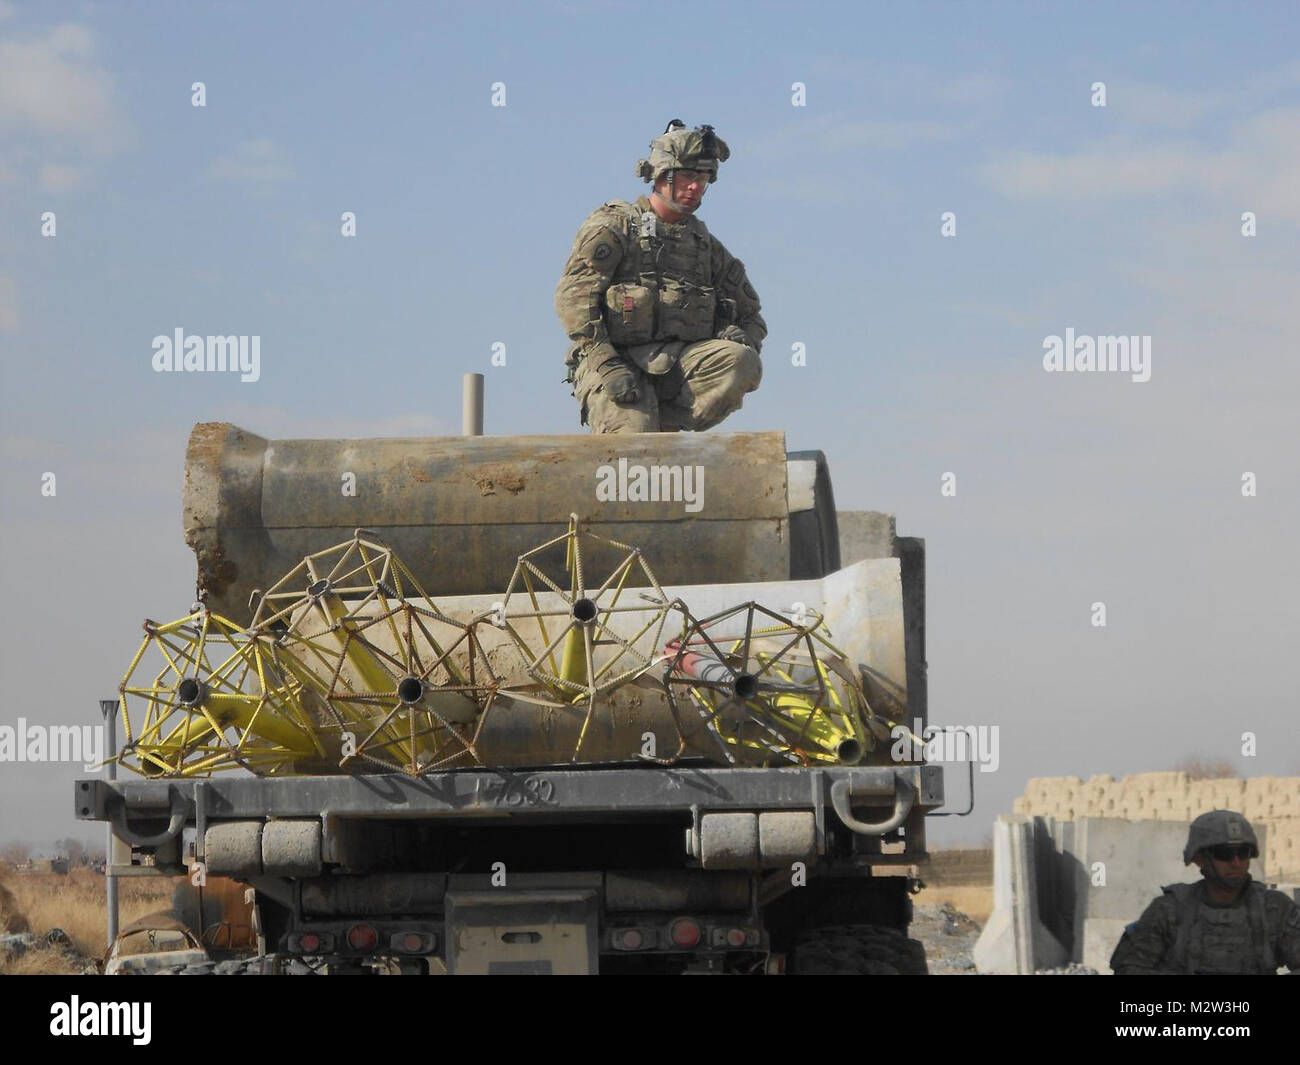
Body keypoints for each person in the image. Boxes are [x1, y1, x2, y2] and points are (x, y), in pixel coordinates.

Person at [555, 120, 766, 434]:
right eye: (688, 176)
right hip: (613, 362)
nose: (696, 187)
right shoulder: (616, 226)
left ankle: (661, 421)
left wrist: (740, 336)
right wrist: (607, 365)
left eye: (704, 178)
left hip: (677, 370)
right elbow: (573, 299)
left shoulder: (706, 248)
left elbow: (752, 317)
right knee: (633, 454)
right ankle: (636, 421)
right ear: (662, 176)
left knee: (742, 360)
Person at [1109, 809, 1300, 974]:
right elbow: (1129, 968)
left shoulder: (1275, 909)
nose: (1236, 863)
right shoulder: (1168, 910)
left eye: (1243, 853)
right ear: (1200, 859)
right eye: (1224, 854)